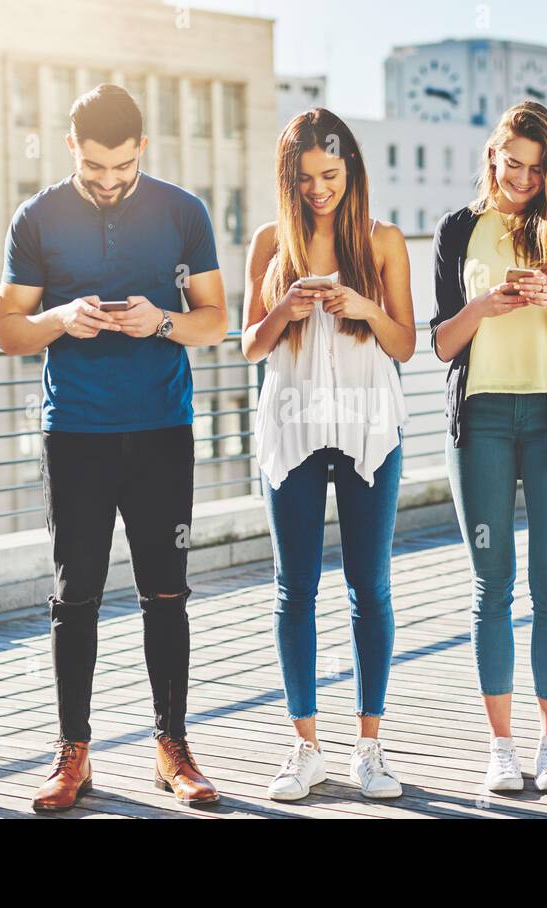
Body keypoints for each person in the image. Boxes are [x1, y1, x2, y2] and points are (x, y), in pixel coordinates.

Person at [0, 84, 228, 810]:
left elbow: (216, 320)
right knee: (75, 599)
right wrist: (60, 317)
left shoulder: (183, 212)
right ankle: (74, 754)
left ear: (141, 150)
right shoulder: (36, 218)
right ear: (72, 146)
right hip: (75, 434)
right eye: (94, 166)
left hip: (162, 431)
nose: (108, 179)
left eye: (122, 166)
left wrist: (162, 321)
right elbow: (9, 331)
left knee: (167, 594)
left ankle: (172, 748)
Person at [430, 101, 547, 793]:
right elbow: (442, 343)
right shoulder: (458, 230)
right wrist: (482, 308)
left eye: (536, 168)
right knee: (491, 585)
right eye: (513, 165)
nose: (525, 179)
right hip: (481, 420)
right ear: (493, 157)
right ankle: (501, 746)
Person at [242, 109, 415, 801]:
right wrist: (283, 309)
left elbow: (405, 344)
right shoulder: (268, 242)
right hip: (292, 429)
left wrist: (363, 307)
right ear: (288, 180)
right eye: (305, 178)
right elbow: (249, 345)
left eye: (330, 175)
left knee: (369, 587)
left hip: (369, 426)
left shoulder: (383, 240)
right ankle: (305, 747)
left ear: (352, 171)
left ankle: (369, 747)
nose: (318, 189)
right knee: (295, 589)